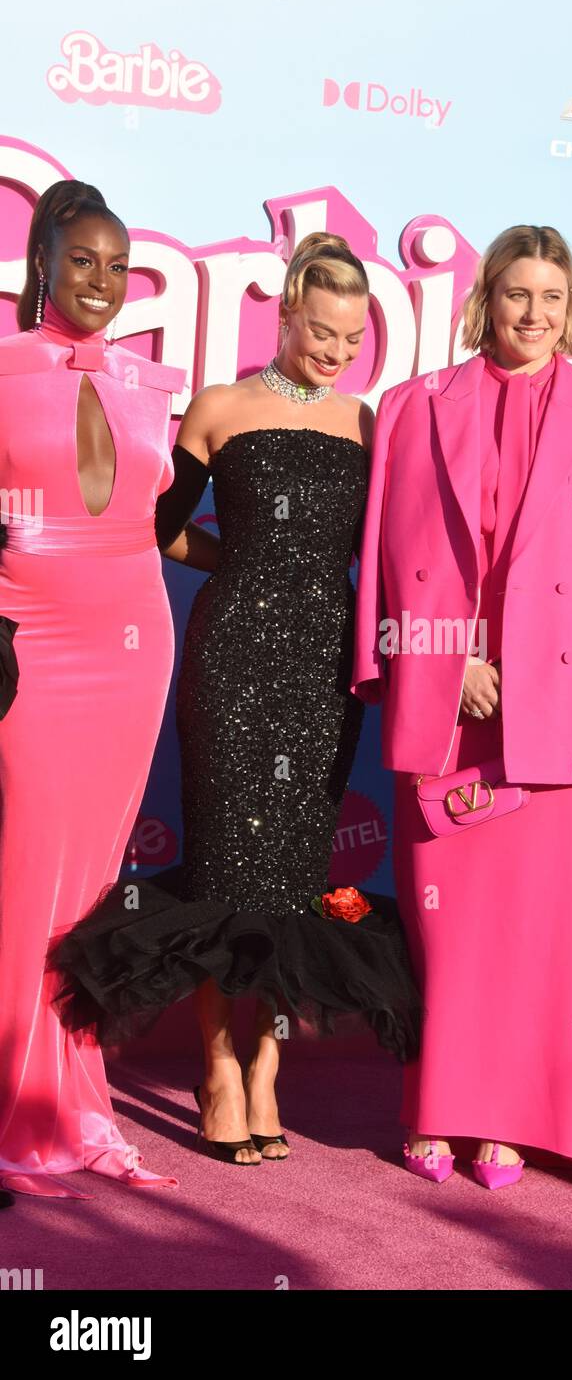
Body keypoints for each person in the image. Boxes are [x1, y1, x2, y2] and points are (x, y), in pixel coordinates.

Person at [52, 233, 421, 1166]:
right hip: (232, 661)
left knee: (292, 879)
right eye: (322, 330)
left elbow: (389, 553)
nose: (335, 352)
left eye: (351, 339)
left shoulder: (370, 426)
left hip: (322, 670)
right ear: (289, 309)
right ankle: (221, 1069)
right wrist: (254, 566)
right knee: (226, 872)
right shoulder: (217, 409)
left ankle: (267, 1071)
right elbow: (161, 531)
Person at [352, 224, 572, 1192]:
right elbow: (385, 564)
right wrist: (442, 667)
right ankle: (441, 1111)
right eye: (513, 293)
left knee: (536, 941)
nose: (531, 313)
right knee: (447, 936)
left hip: (557, 709)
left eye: (549, 296)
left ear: (571, 308)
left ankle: (515, 1122)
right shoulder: (411, 407)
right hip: (446, 706)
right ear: (482, 299)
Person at [0, 179, 185, 1200]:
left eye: (120, 266)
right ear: (43, 264)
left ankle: (81, 1107)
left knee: (89, 893)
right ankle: (16, 1114)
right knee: (26, 877)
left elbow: (155, 525)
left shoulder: (156, 385)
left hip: (131, 642)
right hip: (31, 636)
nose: (104, 281)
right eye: (84, 261)